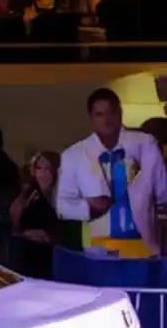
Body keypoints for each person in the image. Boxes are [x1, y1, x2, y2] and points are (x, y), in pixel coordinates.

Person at [57, 88, 167, 257]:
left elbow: (163, 193)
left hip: (144, 245)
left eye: (111, 112)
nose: (106, 119)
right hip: (97, 248)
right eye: (99, 114)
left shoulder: (145, 144)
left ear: (120, 112)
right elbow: (63, 206)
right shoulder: (75, 155)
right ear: (91, 118)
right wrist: (90, 207)